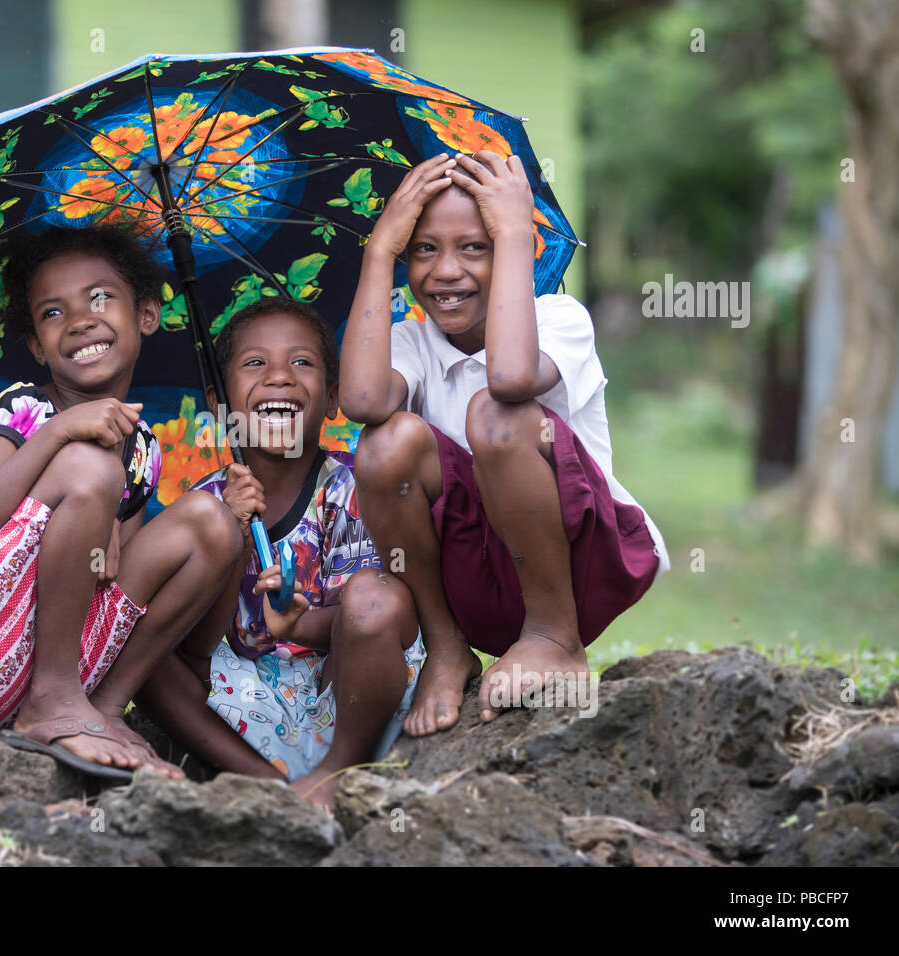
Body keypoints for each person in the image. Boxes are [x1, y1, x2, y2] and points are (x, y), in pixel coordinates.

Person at [340, 150, 669, 736]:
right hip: (474, 584)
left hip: (578, 569)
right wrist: (375, 251)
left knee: (498, 415)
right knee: (383, 443)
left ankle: (553, 639)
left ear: (517, 251)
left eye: (475, 246)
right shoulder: (412, 343)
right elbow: (362, 404)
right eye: (423, 249)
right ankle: (447, 649)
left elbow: (511, 381)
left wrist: (517, 230)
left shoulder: (561, 319)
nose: (446, 271)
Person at [0, 224, 241, 780]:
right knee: (88, 462)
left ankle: (103, 707)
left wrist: (103, 529)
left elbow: (116, 581)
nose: (80, 319)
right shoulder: (22, 408)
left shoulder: (144, 449)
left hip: (77, 659)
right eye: (53, 313)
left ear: (147, 316)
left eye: (101, 297)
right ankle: (52, 701)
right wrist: (60, 435)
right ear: (36, 345)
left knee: (213, 520)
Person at [136, 298, 425, 809]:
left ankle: (339, 768)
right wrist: (234, 536)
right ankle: (273, 787)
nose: (279, 378)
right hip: (243, 701)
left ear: (333, 397)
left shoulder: (352, 488)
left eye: (302, 362)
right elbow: (197, 651)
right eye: (254, 363)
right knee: (142, 656)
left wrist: (296, 626)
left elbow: (367, 618)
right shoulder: (204, 508)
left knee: (377, 599)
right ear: (219, 404)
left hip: (347, 692)